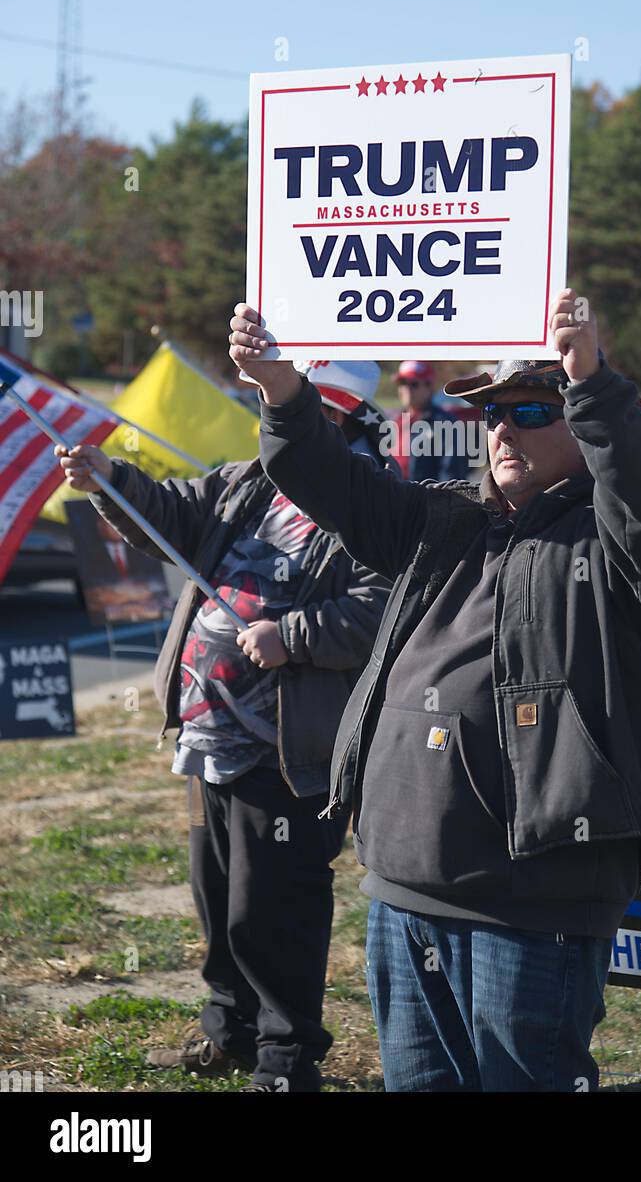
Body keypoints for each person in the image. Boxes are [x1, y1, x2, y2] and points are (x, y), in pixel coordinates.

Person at [229, 288, 641, 1093]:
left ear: (582, 430)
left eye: (530, 413)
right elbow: (328, 477)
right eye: (491, 415)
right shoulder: (445, 520)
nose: (501, 431)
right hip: (403, 892)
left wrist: (593, 385)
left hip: (533, 906)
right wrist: (280, 388)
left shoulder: (618, 547)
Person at [55, 366, 391, 1092]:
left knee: (273, 909)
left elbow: (382, 610)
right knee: (217, 896)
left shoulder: (372, 498)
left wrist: (293, 635)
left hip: (288, 752)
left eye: (292, 407)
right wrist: (112, 478)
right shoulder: (248, 481)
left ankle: (285, 1061)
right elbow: (173, 516)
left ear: (335, 418)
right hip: (210, 740)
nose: (274, 418)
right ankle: (230, 1032)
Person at [387, 359, 469, 480]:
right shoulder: (394, 419)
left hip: (422, 497)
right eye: (402, 383)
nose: (407, 389)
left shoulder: (446, 424)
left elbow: (451, 477)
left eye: (414, 384)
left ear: (429, 386)